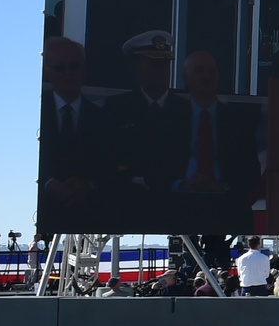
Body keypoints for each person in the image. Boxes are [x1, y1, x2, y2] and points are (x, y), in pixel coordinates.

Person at [167, 50, 262, 237]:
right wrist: (182, 185)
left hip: (228, 204)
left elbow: (252, 174)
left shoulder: (238, 122)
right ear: (186, 78)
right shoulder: (170, 120)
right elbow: (156, 168)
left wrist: (223, 187)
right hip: (178, 203)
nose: (206, 76)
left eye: (211, 70)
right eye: (199, 70)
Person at [110, 30, 188, 231]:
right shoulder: (116, 108)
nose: (160, 69)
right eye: (153, 63)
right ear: (137, 66)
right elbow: (105, 160)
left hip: (177, 205)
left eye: (165, 63)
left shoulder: (186, 110)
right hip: (127, 204)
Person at [38, 37, 113, 235]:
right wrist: (51, 184)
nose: (68, 72)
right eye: (59, 67)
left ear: (83, 69)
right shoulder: (35, 112)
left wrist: (87, 186)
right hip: (45, 210)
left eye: (73, 65)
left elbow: (111, 166)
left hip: (93, 212)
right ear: (47, 71)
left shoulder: (103, 118)